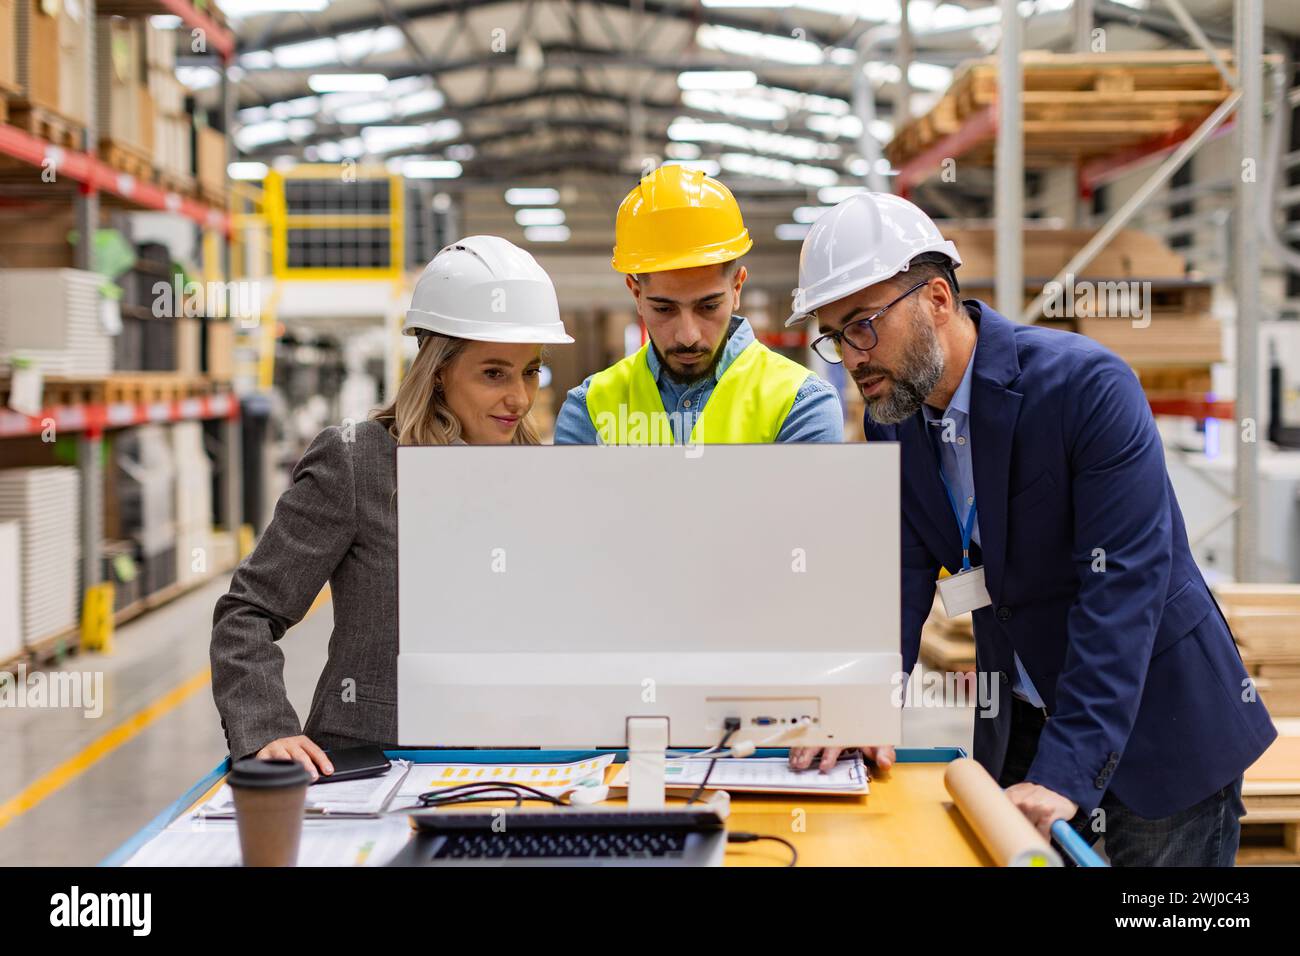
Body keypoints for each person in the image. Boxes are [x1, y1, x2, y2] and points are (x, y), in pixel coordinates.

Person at [786, 193, 1276, 866]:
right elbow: (897, 576)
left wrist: (1065, 771)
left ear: (935, 297)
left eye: (863, 325)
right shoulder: (892, 421)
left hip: (1156, 734)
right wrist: (862, 705)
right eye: (835, 335)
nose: (851, 356)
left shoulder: (1085, 389)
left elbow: (1124, 589)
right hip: (1019, 722)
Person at [209, 236, 573, 779]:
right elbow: (247, 614)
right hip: (371, 760)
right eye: (494, 372)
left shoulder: (532, 474)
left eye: (530, 371)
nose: (519, 398)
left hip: (506, 758)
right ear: (439, 368)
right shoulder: (358, 462)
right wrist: (266, 727)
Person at [555, 165, 842, 445]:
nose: (688, 336)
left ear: (737, 287)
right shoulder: (589, 410)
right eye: (664, 309)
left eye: (708, 307)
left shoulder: (801, 405)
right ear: (636, 294)